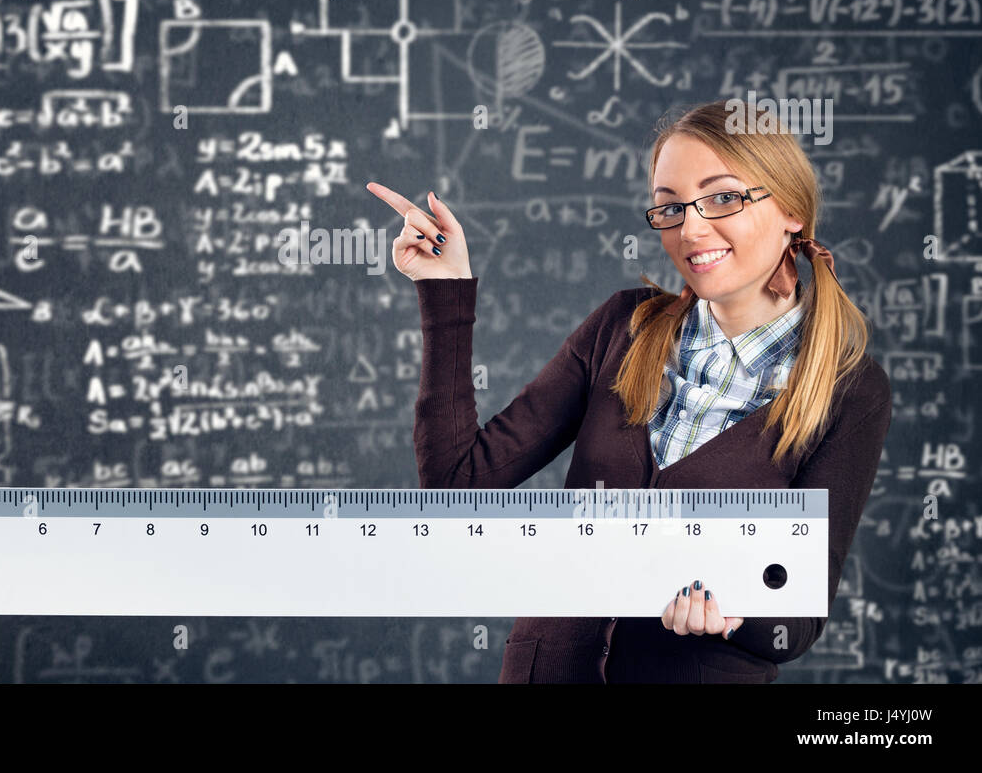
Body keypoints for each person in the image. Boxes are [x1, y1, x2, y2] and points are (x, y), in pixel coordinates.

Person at [366, 99, 892, 683]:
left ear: (791, 209)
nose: (691, 229)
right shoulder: (623, 326)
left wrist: (732, 615)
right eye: (669, 207)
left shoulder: (850, 390)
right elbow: (456, 483)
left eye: (723, 197)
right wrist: (446, 291)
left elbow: (796, 618)